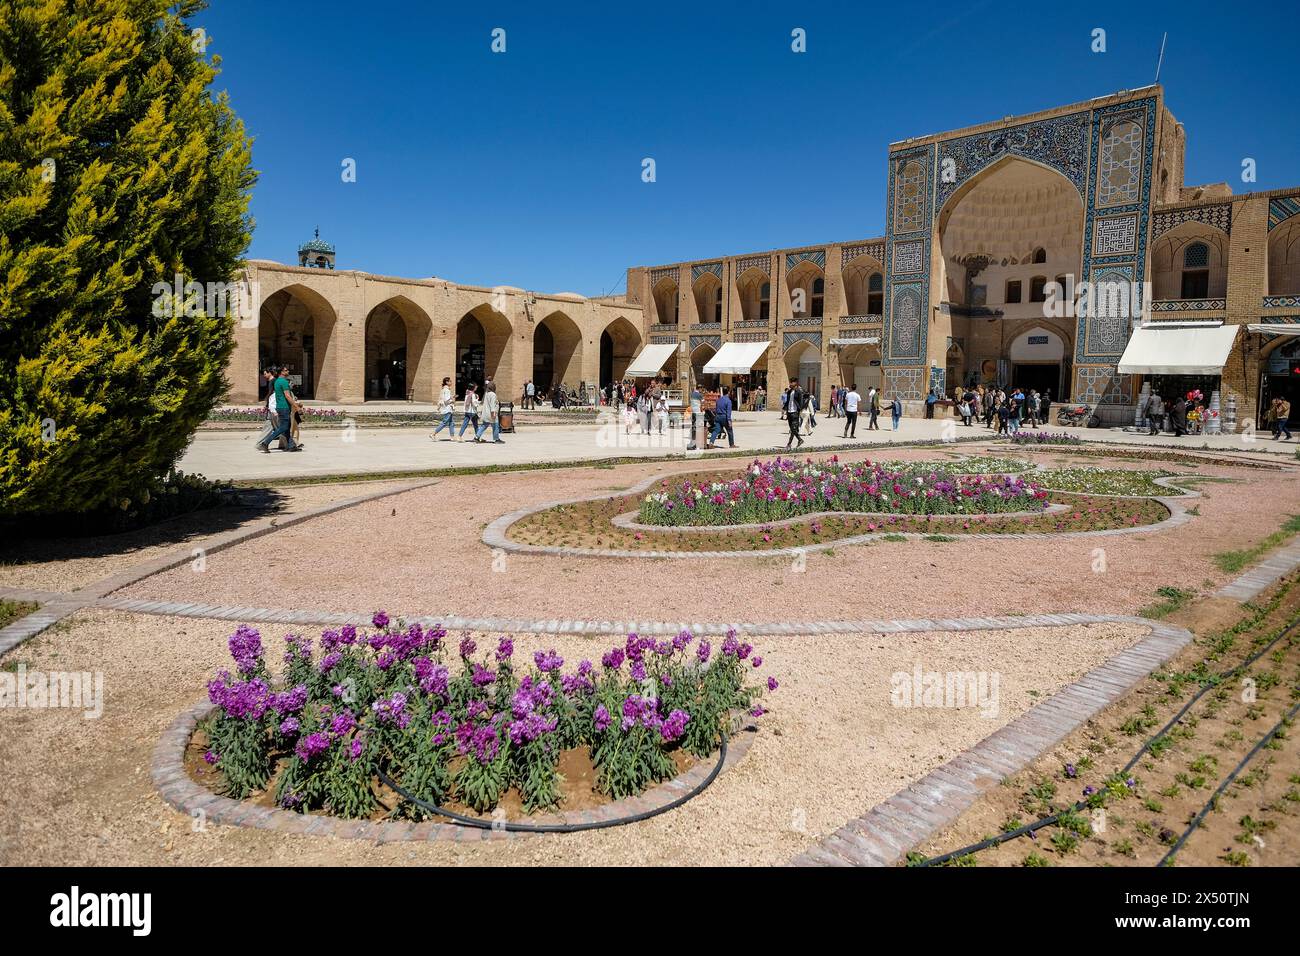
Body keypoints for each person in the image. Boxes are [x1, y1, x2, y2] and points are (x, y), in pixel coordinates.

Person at [257, 366, 302, 453]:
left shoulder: (277, 381)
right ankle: (265, 443)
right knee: (283, 427)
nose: (288, 371)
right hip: (284, 407)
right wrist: (296, 407)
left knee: (286, 427)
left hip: (280, 407)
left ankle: (291, 446)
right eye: (286, 370)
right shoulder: (284, 382)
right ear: (281, 372)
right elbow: (287, 396)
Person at [785, 379, 804, 448]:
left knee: (793, 429)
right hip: (789, 412)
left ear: (795, 383)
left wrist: (799, 410)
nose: (790, 384)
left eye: (791, 382)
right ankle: (789, 444)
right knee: (792, 429)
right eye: (790, 382)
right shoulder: (789, 392)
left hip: (795, 412)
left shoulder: (798, 391)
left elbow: (801, 402)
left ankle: (799, 440)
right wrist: (785, 409)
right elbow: (788, 401)